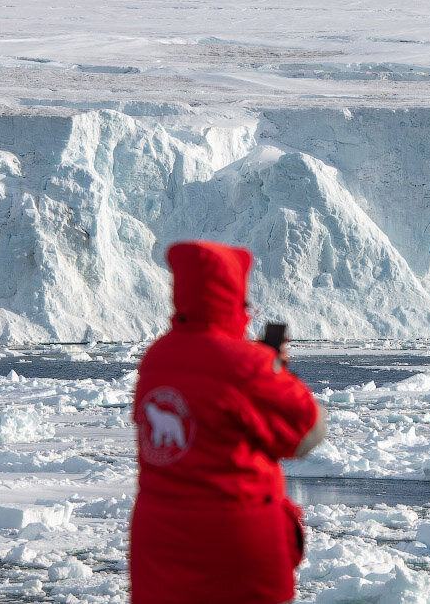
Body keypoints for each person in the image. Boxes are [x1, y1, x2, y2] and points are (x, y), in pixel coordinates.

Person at [130, 240, 327, 604]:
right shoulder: (246, 366)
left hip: (159, 544)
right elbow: (307, 433)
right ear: (232, 295)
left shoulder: (157, 357)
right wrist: (275, 371)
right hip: (235, 547)